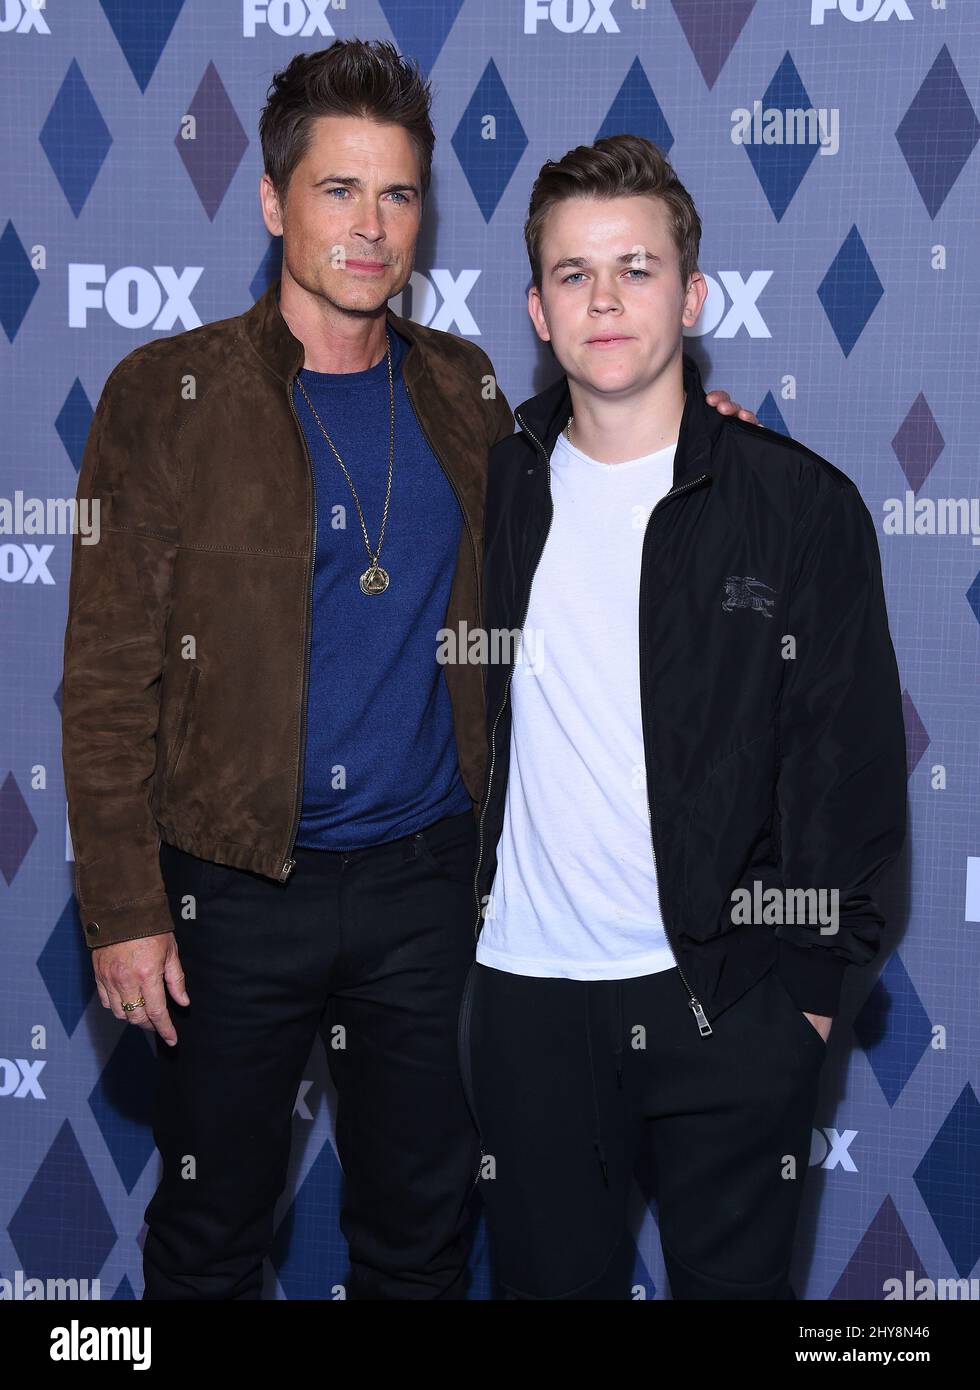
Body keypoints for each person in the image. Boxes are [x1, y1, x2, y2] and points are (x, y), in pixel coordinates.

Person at [60, 41, 756, 1300]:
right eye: (337, 191)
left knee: (421, 1236)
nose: (371, 227)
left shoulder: (464, 388)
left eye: (396, 195)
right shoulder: (167, 397)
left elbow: (590, 477)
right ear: (274, 202)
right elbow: (105, 680)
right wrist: (124, 904)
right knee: (207, 1240)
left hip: (432, 894)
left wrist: (700, 451)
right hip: (231, 892)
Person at [463, 134, 908, 1300]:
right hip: (526, 1003)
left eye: (635, 266)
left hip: (726, 1001)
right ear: (535, 306)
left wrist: (805, 1003)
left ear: (692, 292)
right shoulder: (493, 480)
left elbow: (846, 770)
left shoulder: (795, 506)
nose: (603, 298)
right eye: (572, 273)